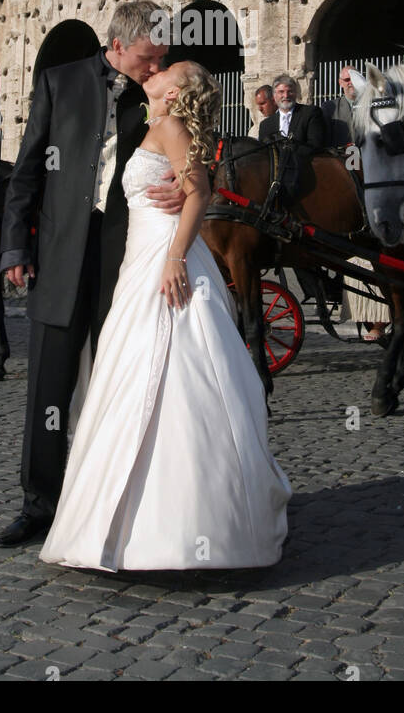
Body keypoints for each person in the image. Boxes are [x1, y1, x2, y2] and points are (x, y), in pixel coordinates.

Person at [39, 61, 291, 571]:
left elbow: (198, 192)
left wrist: (176, 254)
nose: (151, 71)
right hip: (140, 255)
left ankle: (183, 525)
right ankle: (117, 521)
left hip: (164, 256)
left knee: (183, 369)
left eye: (163, 71)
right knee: (124, 371)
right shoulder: (151, 121)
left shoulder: (171, 125)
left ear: (174, 93)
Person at [0, 0, 181, 548]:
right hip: (58, 252)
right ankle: (38, 504)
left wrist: (188, 179)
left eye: (162, 57)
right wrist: (13, 247)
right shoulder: (58, 81)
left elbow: (191, 147)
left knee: (117, 382)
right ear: (118, 46)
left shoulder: (159, 91)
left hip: (125, 257)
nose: (155, 67)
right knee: (49, 384)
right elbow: (27, 171)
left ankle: (110, 501)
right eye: (148, 57)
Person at [257, 75, 327, 152]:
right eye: (281, 92)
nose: (286, 95)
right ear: (274, 96)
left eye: (290, 91)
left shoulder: (310, 113)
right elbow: (262, 154)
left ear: (296, 93)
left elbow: (315, 145)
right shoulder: (265, 125)